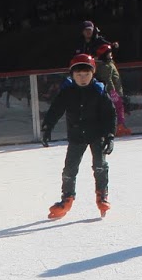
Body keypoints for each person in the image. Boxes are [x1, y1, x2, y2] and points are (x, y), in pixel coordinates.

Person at [41, 54, 117, 219]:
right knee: (69, 168)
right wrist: (47, 128)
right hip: (76, 135)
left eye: (86, 74)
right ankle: (67, 198)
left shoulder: (99, 91)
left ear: (93, 73)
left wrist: (110, 136)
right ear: (72, 75)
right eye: (79, 75)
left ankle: (102, 195)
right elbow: (55, 110)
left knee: (100, 165)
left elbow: (110, 115)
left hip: (97, 135)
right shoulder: (67, 92)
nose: (83, 78)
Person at [92, 43, 132, 137]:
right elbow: (108, 80)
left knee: (118, 108)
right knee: (117, 108)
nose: (111, 55)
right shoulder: (105, 66)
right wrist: (113, 92)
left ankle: (119, 126)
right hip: (112, 92)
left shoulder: (109, 63)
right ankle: (118, 127)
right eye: (109, 53)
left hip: (114, 91)